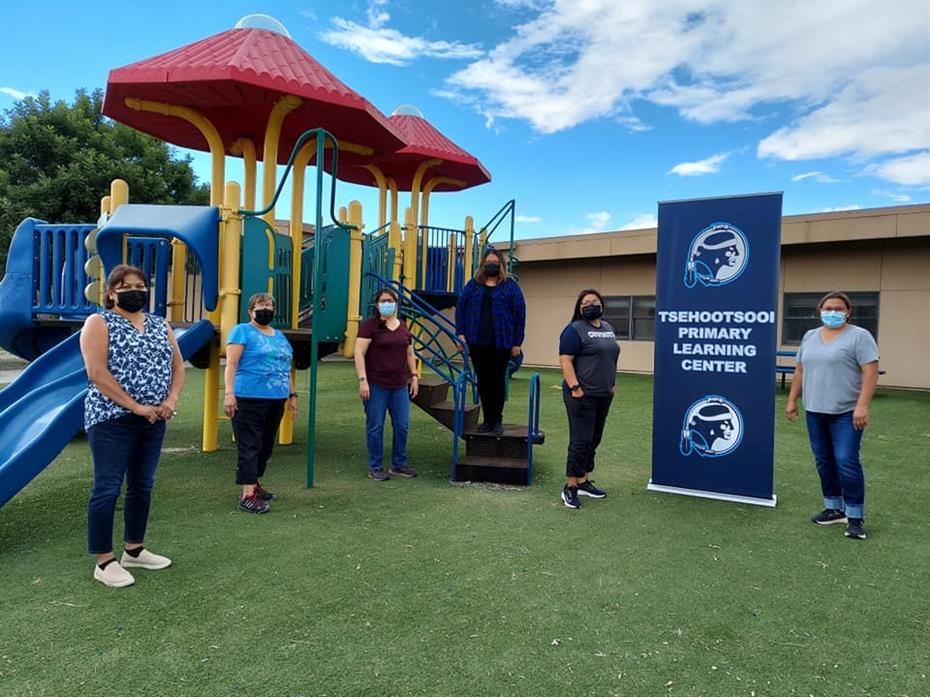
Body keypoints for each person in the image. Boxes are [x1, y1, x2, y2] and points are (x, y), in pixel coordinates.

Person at [81, 264, 184, 588]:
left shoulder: (159, 324)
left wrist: (171, 400)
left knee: (143, 485)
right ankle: (104, 561)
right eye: (127, 286)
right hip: (112, 419)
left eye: (141, 284)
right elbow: (96, 373)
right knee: (107, 487)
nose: (136, 290)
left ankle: (134, 550)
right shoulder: (99, 322)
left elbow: (177, 366)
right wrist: (135, 406)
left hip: (154, 419)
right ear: (111, 292)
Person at [786, 291, 879, 540]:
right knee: (823, 460)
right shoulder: (810, 336)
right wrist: (792, 399)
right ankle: (834, 509)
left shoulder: (860, 337)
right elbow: (800, 370)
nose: (833, 312)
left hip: (846, 412)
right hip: (815, 410)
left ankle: (855, 517)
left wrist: (862, 406)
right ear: (820, 311)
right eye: (828, 308)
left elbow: (870, 372)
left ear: (848, 312)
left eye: (839, 308)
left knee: (846, 460)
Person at [224, 293, 297, 514]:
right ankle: (247, 494)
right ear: (250, 310)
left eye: (269, 305)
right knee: (250, 444)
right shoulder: (242, 331)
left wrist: (292, 396)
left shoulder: (280, 336)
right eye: (261, 305)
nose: (266, 309)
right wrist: (229, 393)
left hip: (276, 398)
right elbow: (232, 364)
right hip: (249, 397)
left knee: (265, 445)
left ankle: (255, 484)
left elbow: (286, 367)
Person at [557, 289, 620, 510]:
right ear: (579, 307)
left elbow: (611, 357)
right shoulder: (574, 330)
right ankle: (570, 487)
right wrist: (575, 387)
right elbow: (565, 360)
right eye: (585, 302)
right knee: (581, 441)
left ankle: (583, 480)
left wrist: (613, 383)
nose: (589, 305)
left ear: (601, 305)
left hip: (603, 394)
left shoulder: (608, 328)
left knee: (594, 439)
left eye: (594, 301)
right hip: (581, 395)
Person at [455, 248, 526, 434]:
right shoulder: (473, 285)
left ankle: (497, 421)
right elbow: (461, 309)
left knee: (497, 382)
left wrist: (517, 342)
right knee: (483, 382)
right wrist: (460, 333)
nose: (491, 265)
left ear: (501, 265)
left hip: (501, 343)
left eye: (495, 263)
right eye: (488, 263)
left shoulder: (510, 287)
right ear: (483, 265)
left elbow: (520, 315)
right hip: (477, 342)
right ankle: (487, 420)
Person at [354, 288, 419, 481]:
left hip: (399, 385)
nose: (387, 303)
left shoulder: (403, 326)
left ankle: (399, 464)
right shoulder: (369, 326)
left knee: (402, 425)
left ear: (396, 303)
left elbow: (409, 353)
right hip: (376, 384)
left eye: (390, 300)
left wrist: (414, 376)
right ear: (377, 304)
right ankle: (375, 466)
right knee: (375, 425)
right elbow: (359, 353)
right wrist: (363, 380)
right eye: (383, 300)